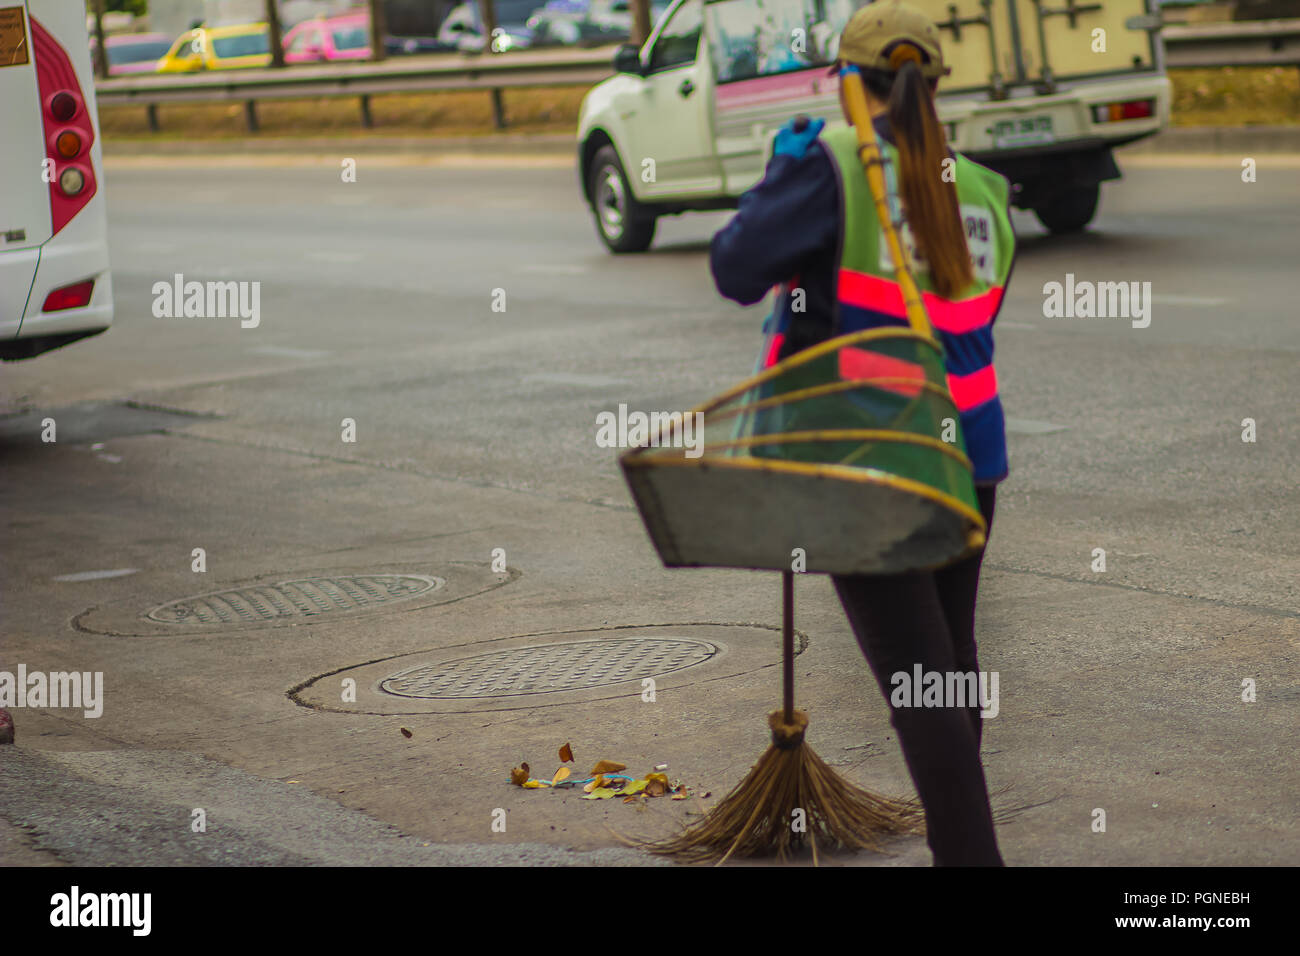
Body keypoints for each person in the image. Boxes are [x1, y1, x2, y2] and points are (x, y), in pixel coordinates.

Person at [709, 0, 1016, 866]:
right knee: (948, 667)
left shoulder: (831, 166)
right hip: (968, 458)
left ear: (848, 80)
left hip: (865, 463)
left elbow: (735, 267)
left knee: (923, 687)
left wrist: (784, 173)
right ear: (936, 87)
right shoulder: (984, 188)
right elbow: (973, 316)